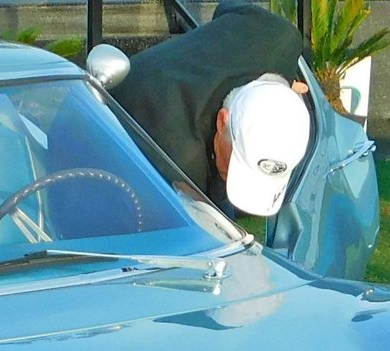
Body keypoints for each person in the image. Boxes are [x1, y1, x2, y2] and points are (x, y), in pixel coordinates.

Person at [109, 0, 314, 217]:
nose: (229, 179)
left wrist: (280, 87)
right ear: (222, 121)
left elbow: (227, 7)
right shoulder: (182, 163)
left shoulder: (281, 37)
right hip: (112, 113)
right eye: (234, 167)